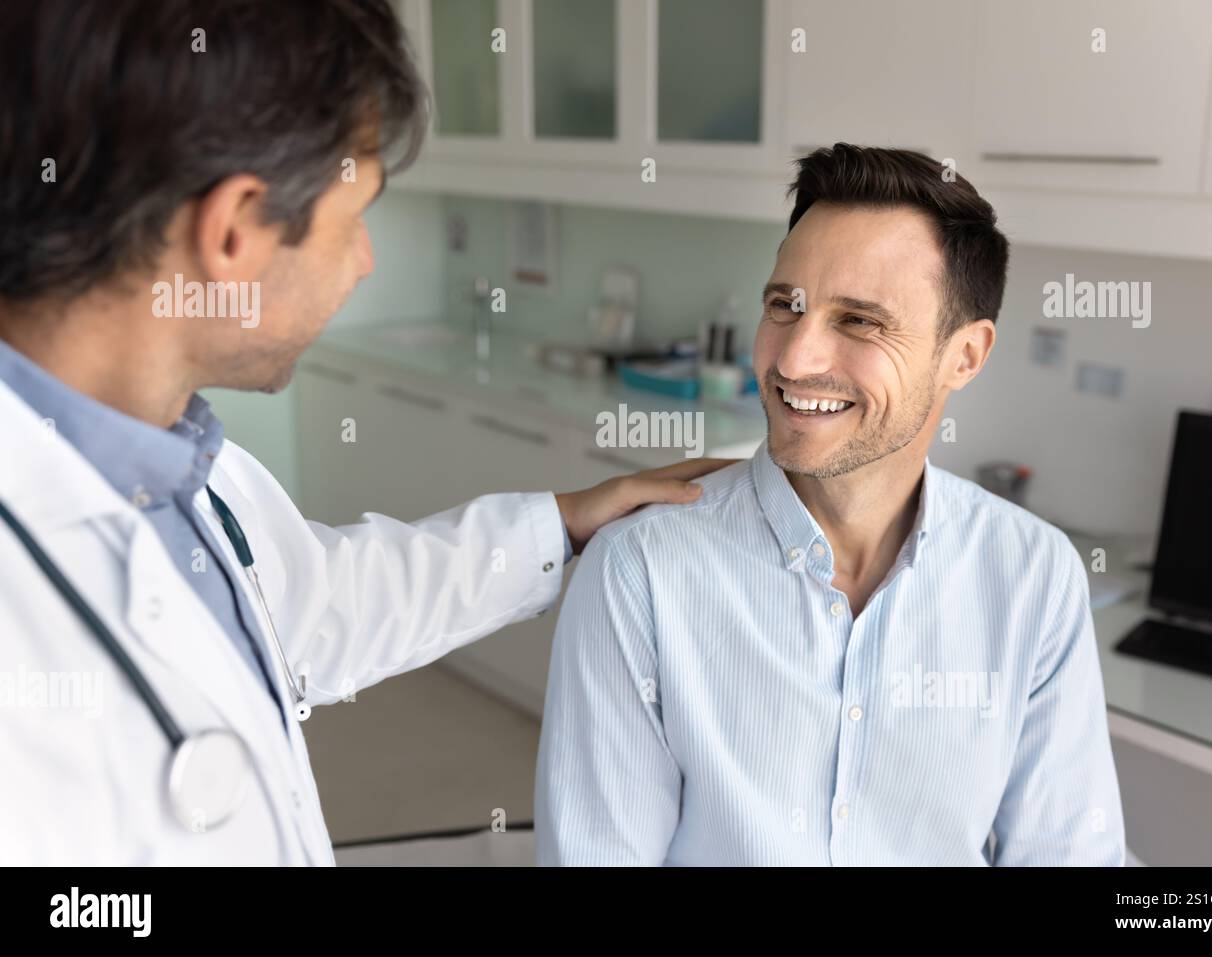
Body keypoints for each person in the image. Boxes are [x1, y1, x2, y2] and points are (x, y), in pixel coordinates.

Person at [0, 0, 729, 865]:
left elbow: (308, 606)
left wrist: (563, 521)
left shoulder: (172, 454)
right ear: (234, 231)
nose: (366, 259)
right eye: (356, 218)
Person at [536, 145, 1126, 866]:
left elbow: (1066, 854)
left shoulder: (1034, 575)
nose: (792, 359)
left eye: (859, 322)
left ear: (964, 356)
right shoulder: (642, 572)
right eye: (786, 304)